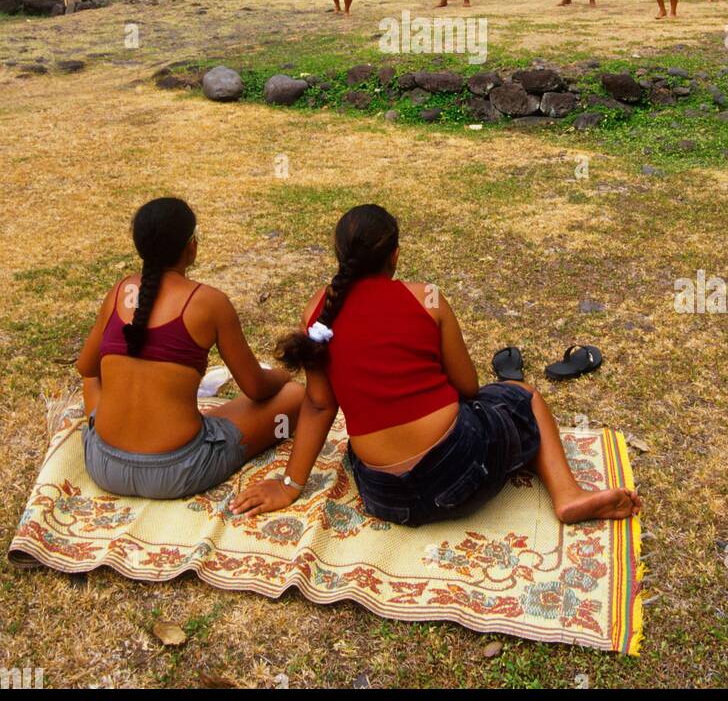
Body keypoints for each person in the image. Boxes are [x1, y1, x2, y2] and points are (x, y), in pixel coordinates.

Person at [232, 205, 641, 526]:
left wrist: (289, 485)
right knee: (520, 397)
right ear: (394, 255)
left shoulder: (318, 313)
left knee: (363, 450)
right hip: (461, 473)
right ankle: (568, 495)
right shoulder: (426, 298)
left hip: (383, 497)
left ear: (340, 255)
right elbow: (468, 388)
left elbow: (320, 406)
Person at [76, 198, 304, 500]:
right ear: (191, 246)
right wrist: (282, 376)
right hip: (178, 470)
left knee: (94, 375)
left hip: (103, 463)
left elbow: (86, 369)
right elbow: (256, 388)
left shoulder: (120, 291)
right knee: (295, 397)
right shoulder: (209, 302)